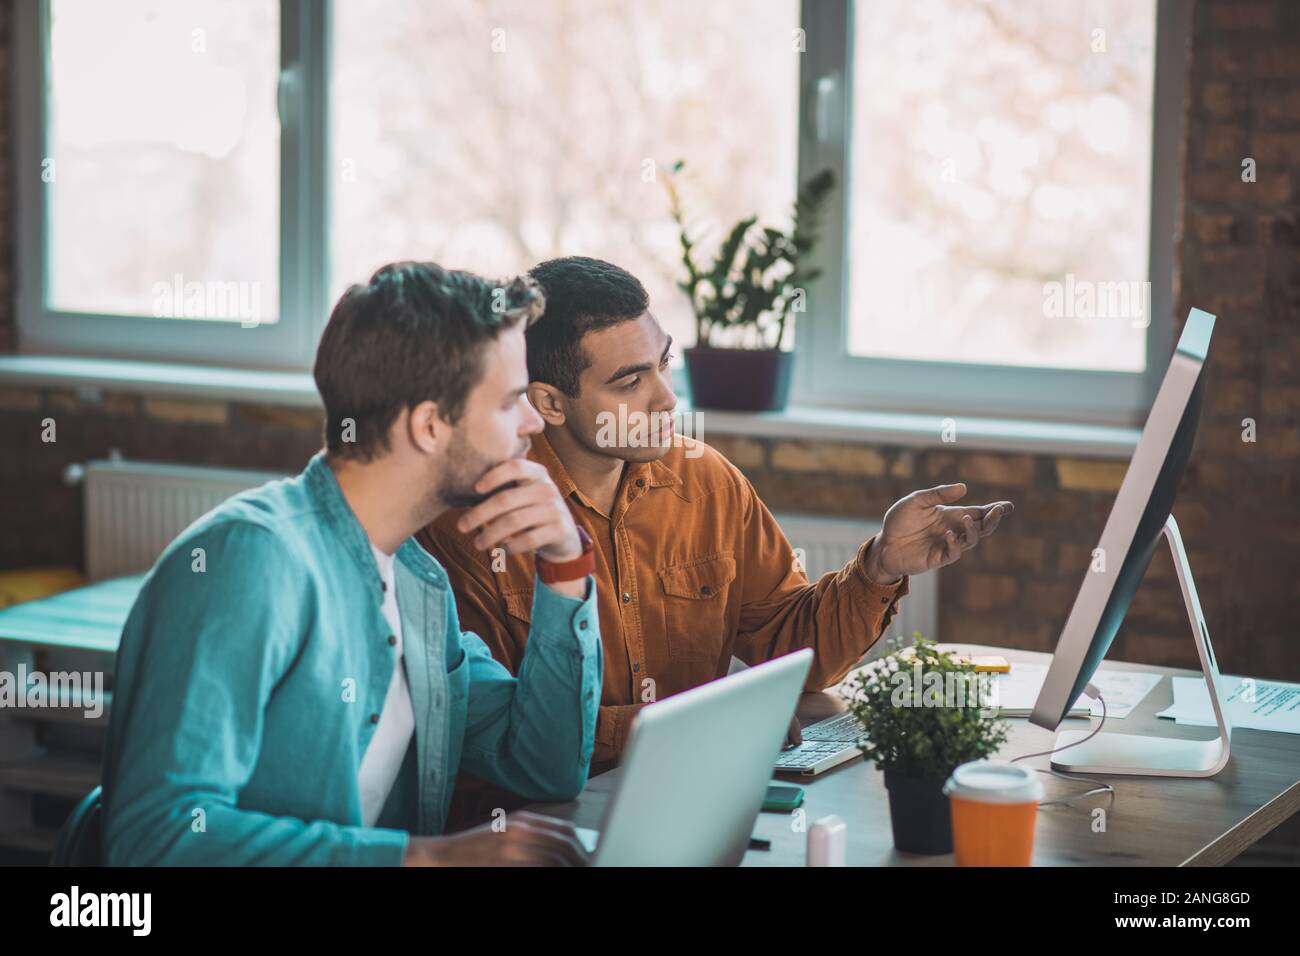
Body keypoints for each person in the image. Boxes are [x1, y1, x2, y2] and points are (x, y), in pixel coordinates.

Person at [419, 256, 1013, 799]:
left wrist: (882, 565)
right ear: (549, 403)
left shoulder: (706, 481)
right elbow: (508, 732)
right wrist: (709, 720)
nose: (666, 399)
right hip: (545, 820)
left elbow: (795, 653)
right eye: (630, 382)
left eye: (664, 364)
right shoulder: (474, 521)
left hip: (695, 792)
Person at [103, 262, 602, 866]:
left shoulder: (419, 584)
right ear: (428, 425)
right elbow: (154, 839)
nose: (532, 421)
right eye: (509, 401)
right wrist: (428, 859)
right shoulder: (253, 561)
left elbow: (543, 767)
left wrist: (565, 566)